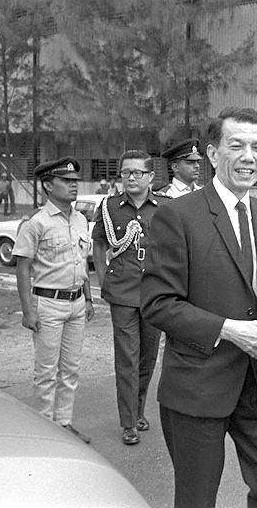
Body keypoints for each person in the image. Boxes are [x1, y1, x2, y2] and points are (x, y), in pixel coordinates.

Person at [141, 107, 257, 508]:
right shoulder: (177, 216)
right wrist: (227, 328)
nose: (249, 156)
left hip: (256, 382)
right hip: (198, 385)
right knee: (196, 499)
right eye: (237, 145)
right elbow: (158, 305)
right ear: (212, 154)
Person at [13, 157, 96, 444]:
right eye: (67, 181)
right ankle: (44, 431)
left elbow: (81, 262)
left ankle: (64, 423)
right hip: (47, 304)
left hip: (75, 304)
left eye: (75, 181)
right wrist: (28, 311)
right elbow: (23, 268)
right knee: (46, 372)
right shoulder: (35, 223)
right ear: (49, 185)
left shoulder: (80, 219)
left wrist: (87, 298)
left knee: (70, 369)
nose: (74, 186)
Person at [92, 150, 169, 446]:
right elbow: (99, 245)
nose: (131, 177)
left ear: (150, 177)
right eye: (126, 173)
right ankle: (128, 423)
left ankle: (137, 409)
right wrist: (102, 280)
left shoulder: (165, 207)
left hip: (153, 294)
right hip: (122, 293)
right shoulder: (109, 208)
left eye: (138, 172)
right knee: (127, 359)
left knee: (148, 358)